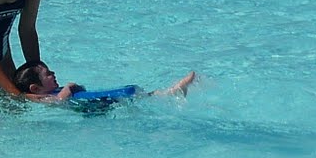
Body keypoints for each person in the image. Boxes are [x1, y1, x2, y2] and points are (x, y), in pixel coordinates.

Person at [13, 59, 197, 101]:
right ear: (36, 88)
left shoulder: (47, 91)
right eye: (48, 74)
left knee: (132, 92)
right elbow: (59, 102)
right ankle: (171, 93)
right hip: (91, 105)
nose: (53, 74)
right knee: (130, 94)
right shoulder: (42, 99)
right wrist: (69, 88)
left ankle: (170, 93)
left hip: (92, 103)